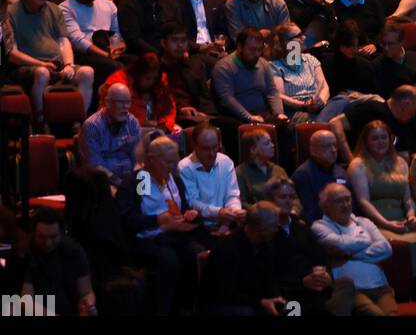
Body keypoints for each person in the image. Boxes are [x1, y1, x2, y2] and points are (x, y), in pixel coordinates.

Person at [117, 135, 205, 315]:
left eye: (175, 162)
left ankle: (188, 308)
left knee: (195, 252)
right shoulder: (140, 181)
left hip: (172, 235)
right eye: (167, 162)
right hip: (144, 238)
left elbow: (184, 208)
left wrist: (191, 215)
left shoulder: (173, 180)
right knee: (168, 258)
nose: (172, 167)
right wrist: (156, 219)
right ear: (151, 160)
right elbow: (128, 219)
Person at [7, 0, 94, 122]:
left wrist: (68, 64)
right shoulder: (11, 12)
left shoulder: (54, 9)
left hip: (55, 65)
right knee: (42, 73)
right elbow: (12, 54)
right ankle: (40, 121)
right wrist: (41, 63)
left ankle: (79, 122)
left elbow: (63, 40)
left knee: (87, 72)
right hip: (28, 67)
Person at [346, 120, 416, 272]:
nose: (380, 142)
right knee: (399, 247)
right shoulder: (358, 165)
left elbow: (408, 198)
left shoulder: (400, 162)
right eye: (375, 138)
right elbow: (363, 201)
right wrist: (386, 224)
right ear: (366, 142)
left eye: (384, 137)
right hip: (377, 221)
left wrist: (411, 215)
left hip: (406, 218)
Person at [265, 177, 354, 316]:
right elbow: (268, 275)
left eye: (291, 197)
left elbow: (321, 259)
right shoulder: (266, 231)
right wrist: (302, 283)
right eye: (283, 197)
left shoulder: (301, 227)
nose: (288, 201)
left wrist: (326, 276)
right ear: (269, 201)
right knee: (293, 305)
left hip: (315, 288)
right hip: (289, 293)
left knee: (345, 283)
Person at [311, 183, 397, 316]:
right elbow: (341, 245)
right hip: (354, 291)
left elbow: (386, 249)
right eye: (339, 201)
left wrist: (347, 255)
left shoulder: (364, 222)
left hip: (381, 287)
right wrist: (367, 241)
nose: (346, 205)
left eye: (348, 199)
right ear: (325, 205)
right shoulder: (320, 226)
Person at [198, 201, 283, 316]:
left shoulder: (266, 246)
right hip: (220, 304)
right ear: (260, 229)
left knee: (294, 306)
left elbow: (270, 279)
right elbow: (225, 292)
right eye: (274, 226)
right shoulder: (227, 248)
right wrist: (261, 302)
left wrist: (277, 299)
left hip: (252, 301)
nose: (277, 229)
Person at [21, 210, 96, 317]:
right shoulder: (26, 252)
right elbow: (25, 300)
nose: (47, 243)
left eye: (53, 237)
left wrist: (88, 305)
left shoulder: (74, 251)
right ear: (34, 234)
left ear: (61, 233)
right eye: (42, 237)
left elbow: (86, 292)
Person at [60, 0, 126, 81]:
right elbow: (78, 41)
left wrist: (115, 51)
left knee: (138, 63)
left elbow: (116, 34)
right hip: (85, 55)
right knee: (113, 66)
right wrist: (107, 56)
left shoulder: (108, 5)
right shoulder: (66, 8)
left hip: (108, 50)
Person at [332, 85, 416, 161]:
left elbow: (403, 154)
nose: (415, 114)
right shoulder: (373, 109)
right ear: (406, 104)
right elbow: (335, 123)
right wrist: (349, 159)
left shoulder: (405, 124)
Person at [211, 26, 284, 125]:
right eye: (252, 50)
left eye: (259, 50)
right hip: (236, 117)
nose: (257, 54)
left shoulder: (263, 63)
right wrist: (249, 117)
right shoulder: (224, 67)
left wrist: (279, 114)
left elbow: (272, 92)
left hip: (262, 115)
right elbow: (227, 99)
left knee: (285, 126)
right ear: (240, 47)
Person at [78, 81, 141, 186]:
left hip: (128, 178)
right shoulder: (92, 126)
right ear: (107, 102)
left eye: (128, 102)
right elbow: (95, 166)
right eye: (121, 102)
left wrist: (136, 182)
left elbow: (138, 160)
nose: (126, 107)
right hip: (103, 179)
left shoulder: (132, 122)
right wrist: (120, 184)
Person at [101, 52, 178, 134]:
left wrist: (165, 125)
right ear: (138, 73)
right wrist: (144, 122)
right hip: (121, 131)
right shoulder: (118, 84)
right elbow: (112, 115)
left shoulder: (160, 82)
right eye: (148, 78)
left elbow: (169, 110)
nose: (151, 82)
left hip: (154, 128)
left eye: (154, 78)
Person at [267, 21, 329, 122]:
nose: (304, 38)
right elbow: (279, 95)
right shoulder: (275, 66)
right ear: (287, 42)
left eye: (302, 34)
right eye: (298, 36)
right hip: (297, 111)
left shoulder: (311, 59)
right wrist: (304, 106)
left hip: (319, 106)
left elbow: (324, 87)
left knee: (343, 100)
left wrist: (320, 102)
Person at [292, 127, 349, 226]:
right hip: (322, 227)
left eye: (335, 145)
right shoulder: (303, 175)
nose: (333, 150)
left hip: (347, 224)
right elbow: (308, 214)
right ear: (313, 150)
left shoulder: (341, 172)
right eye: (327, 146)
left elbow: (353, 206)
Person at [158, 22, 213, 124]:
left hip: (198, 115)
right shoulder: (156, 69)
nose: (180, 45)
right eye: (174, 40)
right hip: (173, 118)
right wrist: (180, 110)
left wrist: (209, 116)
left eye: (183, 41)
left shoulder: (193, 66)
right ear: (163, 43)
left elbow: (204, 98)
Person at [236, 127, 288, 206]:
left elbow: (294, 197)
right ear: (253, 149)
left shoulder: (279, 170)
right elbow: (241, 203)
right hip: (257, 217)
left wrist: (294, 210)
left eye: (271, 142)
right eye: (267, 143)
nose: (272, 145)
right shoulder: (240, 172)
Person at [372, 18, 416, 97]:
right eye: (383, 43)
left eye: (390, 44)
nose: (386, 48)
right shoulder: (376, 65)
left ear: (401, 43)